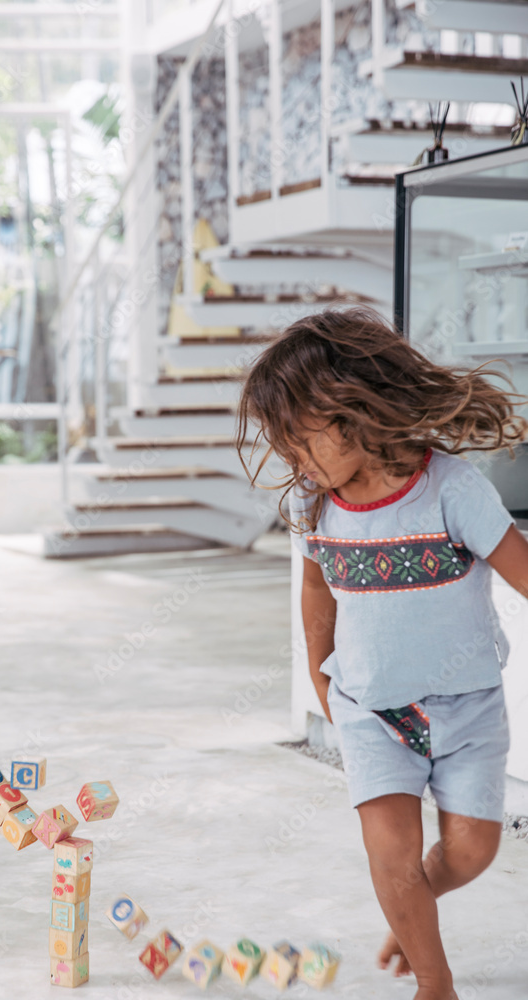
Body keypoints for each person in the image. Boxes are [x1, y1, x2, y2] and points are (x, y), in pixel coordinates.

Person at [234, 306, 528, 1000]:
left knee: (469, 853)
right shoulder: (314, 507)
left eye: (300, 443)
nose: (294, 464)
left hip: (465, 707)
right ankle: (433, 981)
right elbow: (315, 590)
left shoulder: (451, 489)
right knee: (387, 852)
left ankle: (413, 902)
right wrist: (319, 674)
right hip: (369, 709)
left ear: (352, 413)